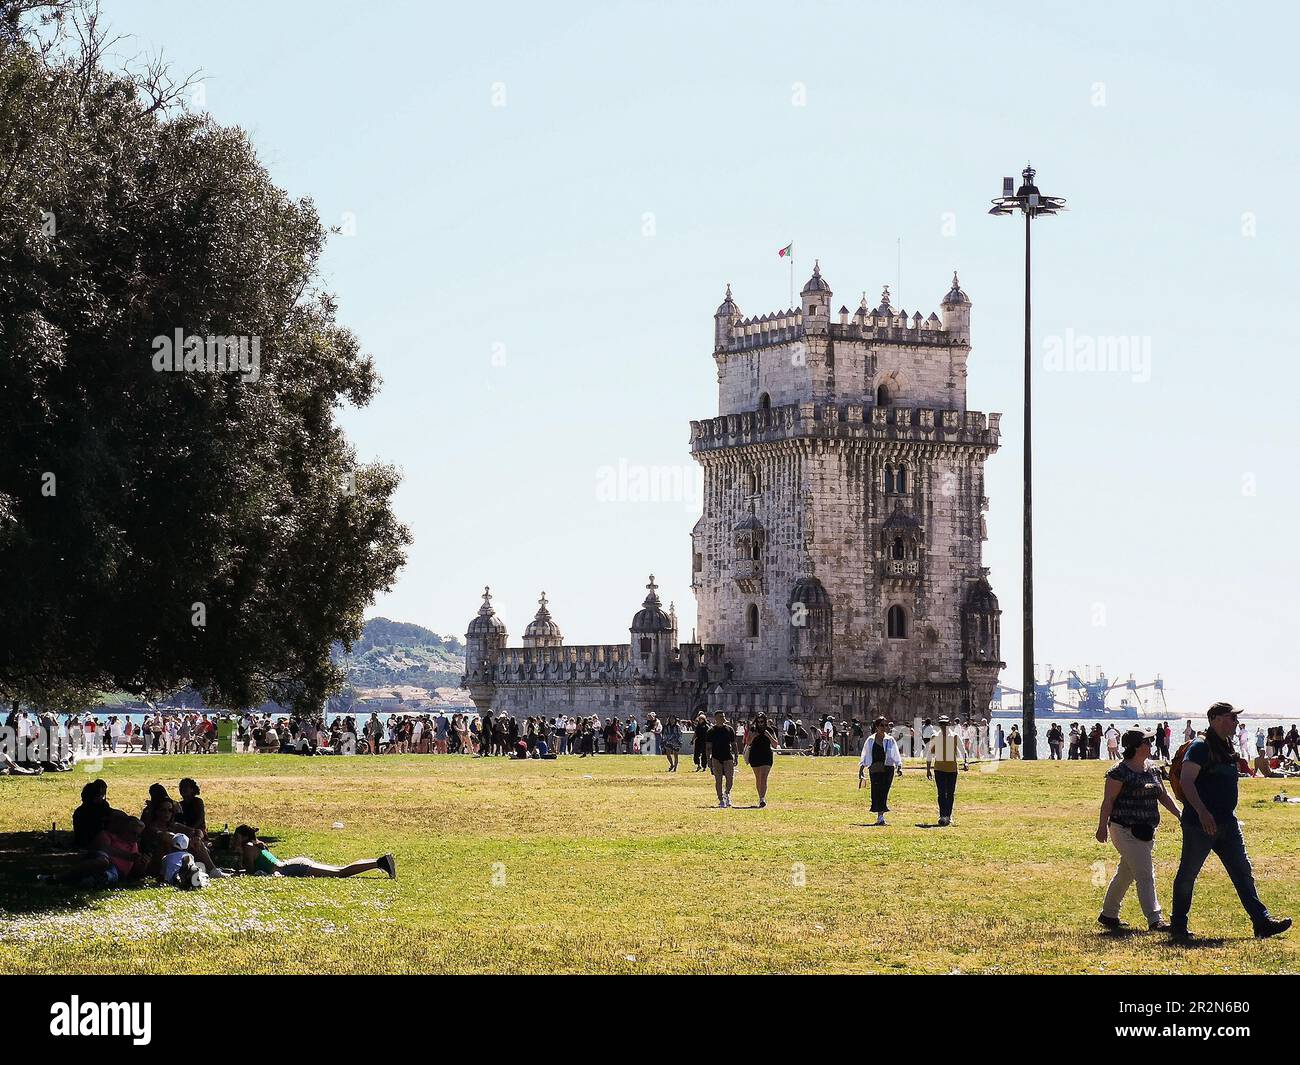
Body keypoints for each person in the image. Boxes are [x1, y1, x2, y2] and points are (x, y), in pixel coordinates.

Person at [1169, 703, 1291, 943]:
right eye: (1230, 717)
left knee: (1242, 871)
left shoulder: (1225, 747)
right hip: (1200, 824)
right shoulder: (1200, 747)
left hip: (1227, 823)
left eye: (1235, 719)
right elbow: (1186, 780)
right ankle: (1178, 927)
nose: (1235, 722)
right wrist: (1202, 812)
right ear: (1214, 719)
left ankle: (1262, 922)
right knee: (1188, 874)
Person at [1096, 731, 1180, 932]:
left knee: (1126, 873)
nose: (1151, 744)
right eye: (1147, 741)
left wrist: (1180, 814)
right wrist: (1101, 827)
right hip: (1123, 829)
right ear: (1135, 746)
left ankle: (1108, 914)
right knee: (1145, 873)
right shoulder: (1118, 772)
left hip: (1146, 831)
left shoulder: (1152, 769)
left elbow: (1163, 795)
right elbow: (1108, 801)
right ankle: (1155, 919)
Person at [232, 825, 396, 878]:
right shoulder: (258, 845)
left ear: (244, 837)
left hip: (292, 868)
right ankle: (378, 862)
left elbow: (251, 872)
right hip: (294, 864)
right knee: (340, 870)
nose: (234, 839)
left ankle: (380, 862)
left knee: (340, 873)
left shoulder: (248, 848)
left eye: (236, 836)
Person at [858, 716, 903, 826]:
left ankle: (881, 816)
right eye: (881, 725)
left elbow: (895, 754)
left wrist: (899, 766)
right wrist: (861, 770)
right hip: (874, 769)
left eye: (885, 725)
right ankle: (879, 815)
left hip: (888, 768)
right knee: (876, 791)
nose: (884, 727)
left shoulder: (890, 740)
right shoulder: (870, 740)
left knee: (884, 791)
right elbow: (865, 755)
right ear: (877, 727)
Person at [929, 716, 965, 827]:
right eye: (941, 724)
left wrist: (965, 762)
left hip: (952, 769)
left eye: (945, 724)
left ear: (948, 724)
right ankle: (942, 815)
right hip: (939, 768)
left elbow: (962, 750)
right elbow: (930, 753)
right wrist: (928, 769)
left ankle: (948, 816)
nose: (943, 726)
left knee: (950, 793)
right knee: (941, 793)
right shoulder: (935, 736)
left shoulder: (954, 736)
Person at [743, 712, 778, 808]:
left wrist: (768, 735)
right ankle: (760, 796)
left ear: (765, 721)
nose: (760, 724)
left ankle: (762, 798)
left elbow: (775, 744)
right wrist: (754, 736)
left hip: (766, 755)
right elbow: (747, 742)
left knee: (763, 777)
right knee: (758, 778)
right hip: (755, 755)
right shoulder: (753, 729)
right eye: (758, 722)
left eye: (762, 721)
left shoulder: (770, 730)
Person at [706, 711, 738, 808]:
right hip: (716, 757)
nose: (723, 718)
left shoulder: (729, 729)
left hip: (728, 757)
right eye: (720, 716)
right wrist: (708, 760)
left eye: (723, 716)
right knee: (718, 779)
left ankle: (727, 793)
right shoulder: (711, 731)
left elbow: (734, 744)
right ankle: (720, 799)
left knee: (730, 778)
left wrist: (736, 756)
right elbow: (708, 747)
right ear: (716, 719)